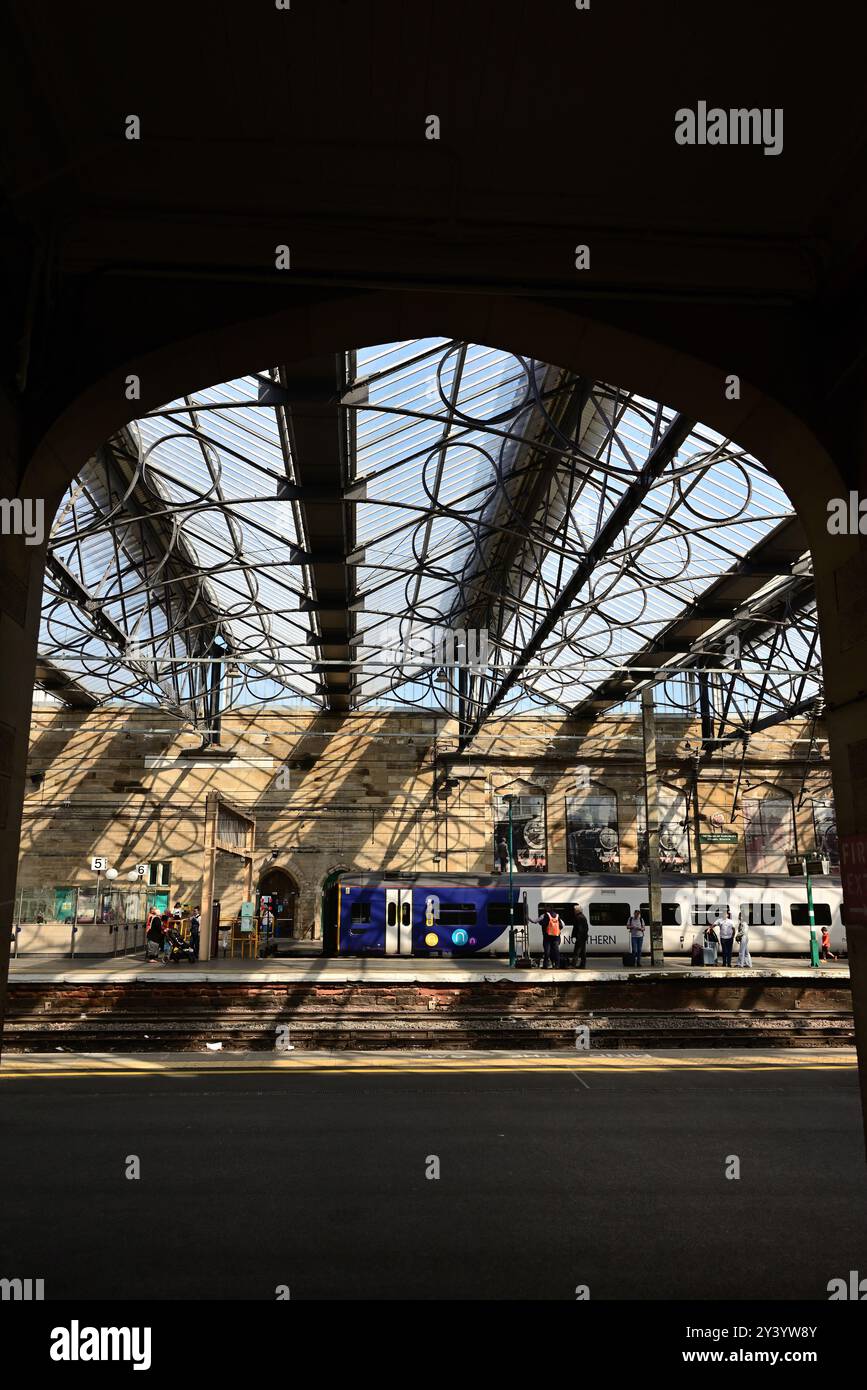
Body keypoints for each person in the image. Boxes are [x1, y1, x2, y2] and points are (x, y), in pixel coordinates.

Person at [571, 904, 589, 969]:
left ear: (577, 910)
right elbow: (585, 928)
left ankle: (573, 964)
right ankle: (583, 965)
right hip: (583, 937)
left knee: (576, 951)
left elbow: (579, 928)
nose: (574, 911)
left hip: (580, 937)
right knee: (582, 952)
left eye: (574, 910)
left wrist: (577, 936)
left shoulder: (579, 917)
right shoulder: (582, 916)